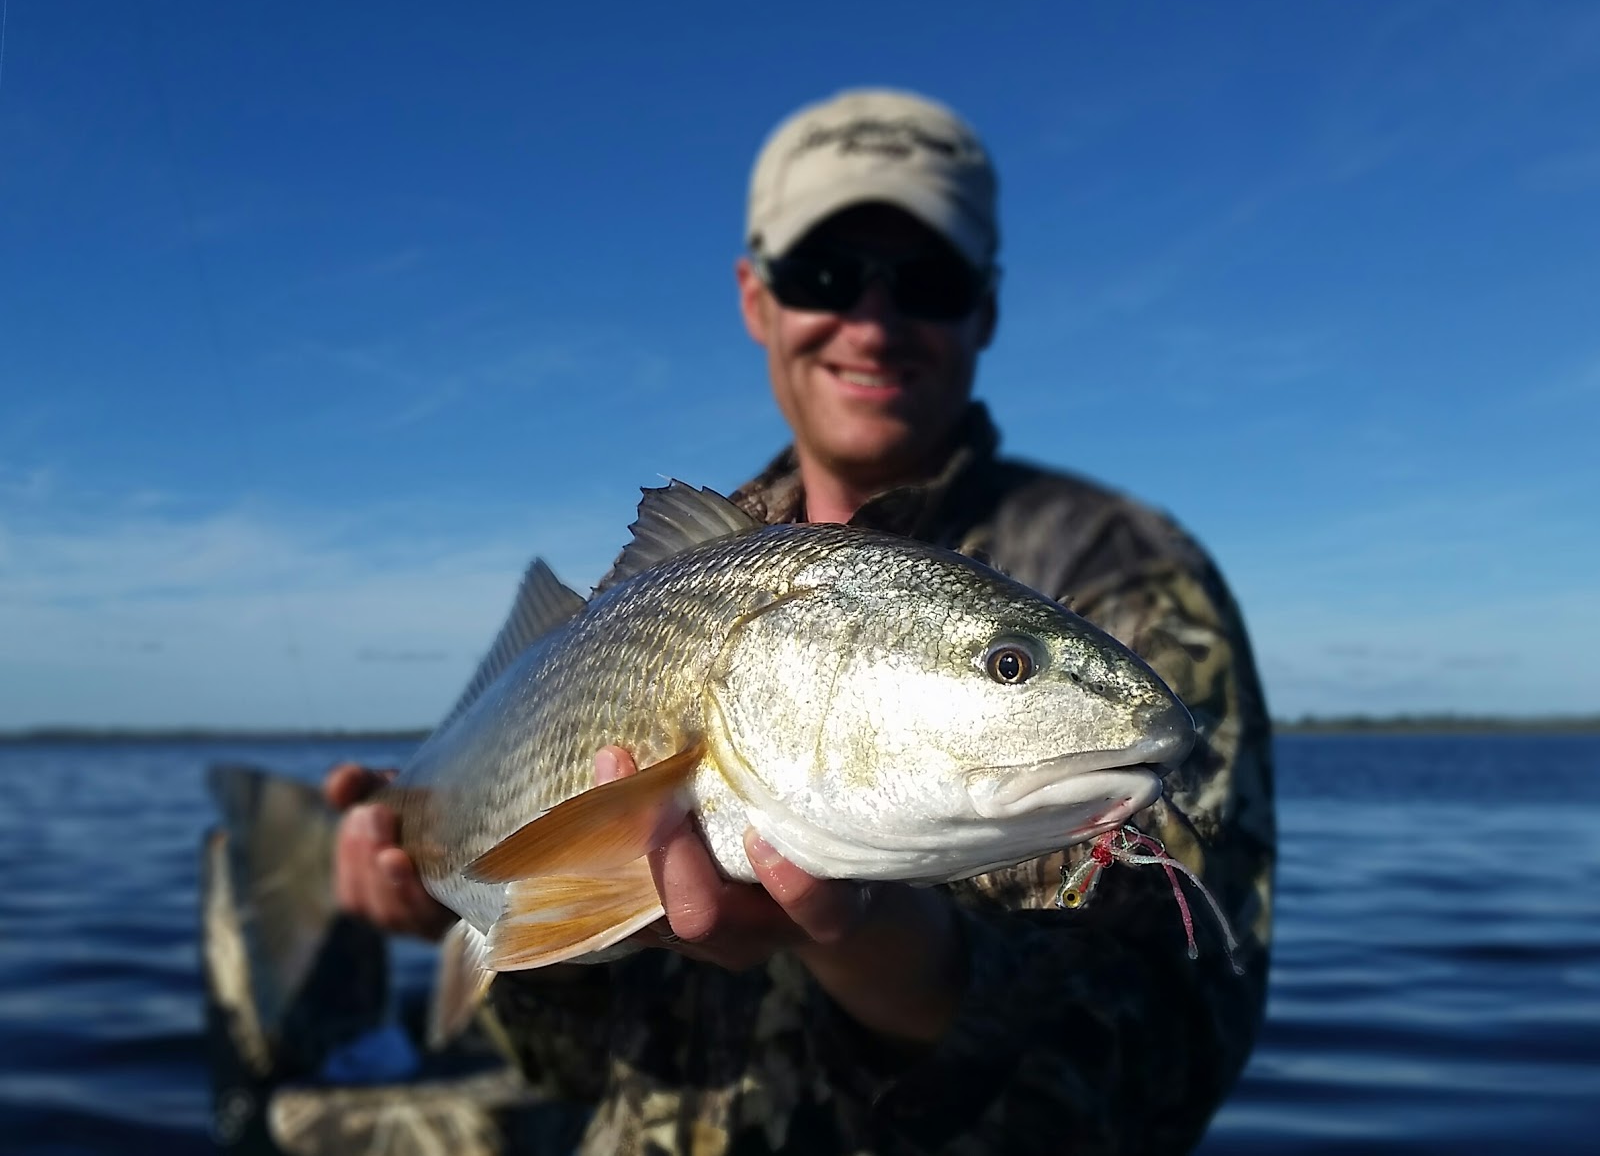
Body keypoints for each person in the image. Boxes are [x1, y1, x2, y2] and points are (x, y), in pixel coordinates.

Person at [327, 88, 1275, 1155]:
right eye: (824, 275)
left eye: (928, 278)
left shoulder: (1126, 573)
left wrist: (883, 949)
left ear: (986, 306)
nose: (871, 322)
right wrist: (447, 891)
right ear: (755, 296)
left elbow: (1176, 1056)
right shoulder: (677, 580)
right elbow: (574, 1063)